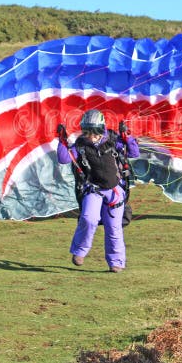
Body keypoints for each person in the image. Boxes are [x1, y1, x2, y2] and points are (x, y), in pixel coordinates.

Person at [57, 109, 139, 273]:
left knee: (114, 228)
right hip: (93, 190)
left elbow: (134, 152)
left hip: (115, 191)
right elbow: (64, 158)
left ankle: (116, 262)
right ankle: (79, 251)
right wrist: (62, 140)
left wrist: (127, 137)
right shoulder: (80, 145)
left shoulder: (114, 140)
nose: (91, 136)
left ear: (101, 129)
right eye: (87, 132)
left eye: (95, 132)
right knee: (88, 219)